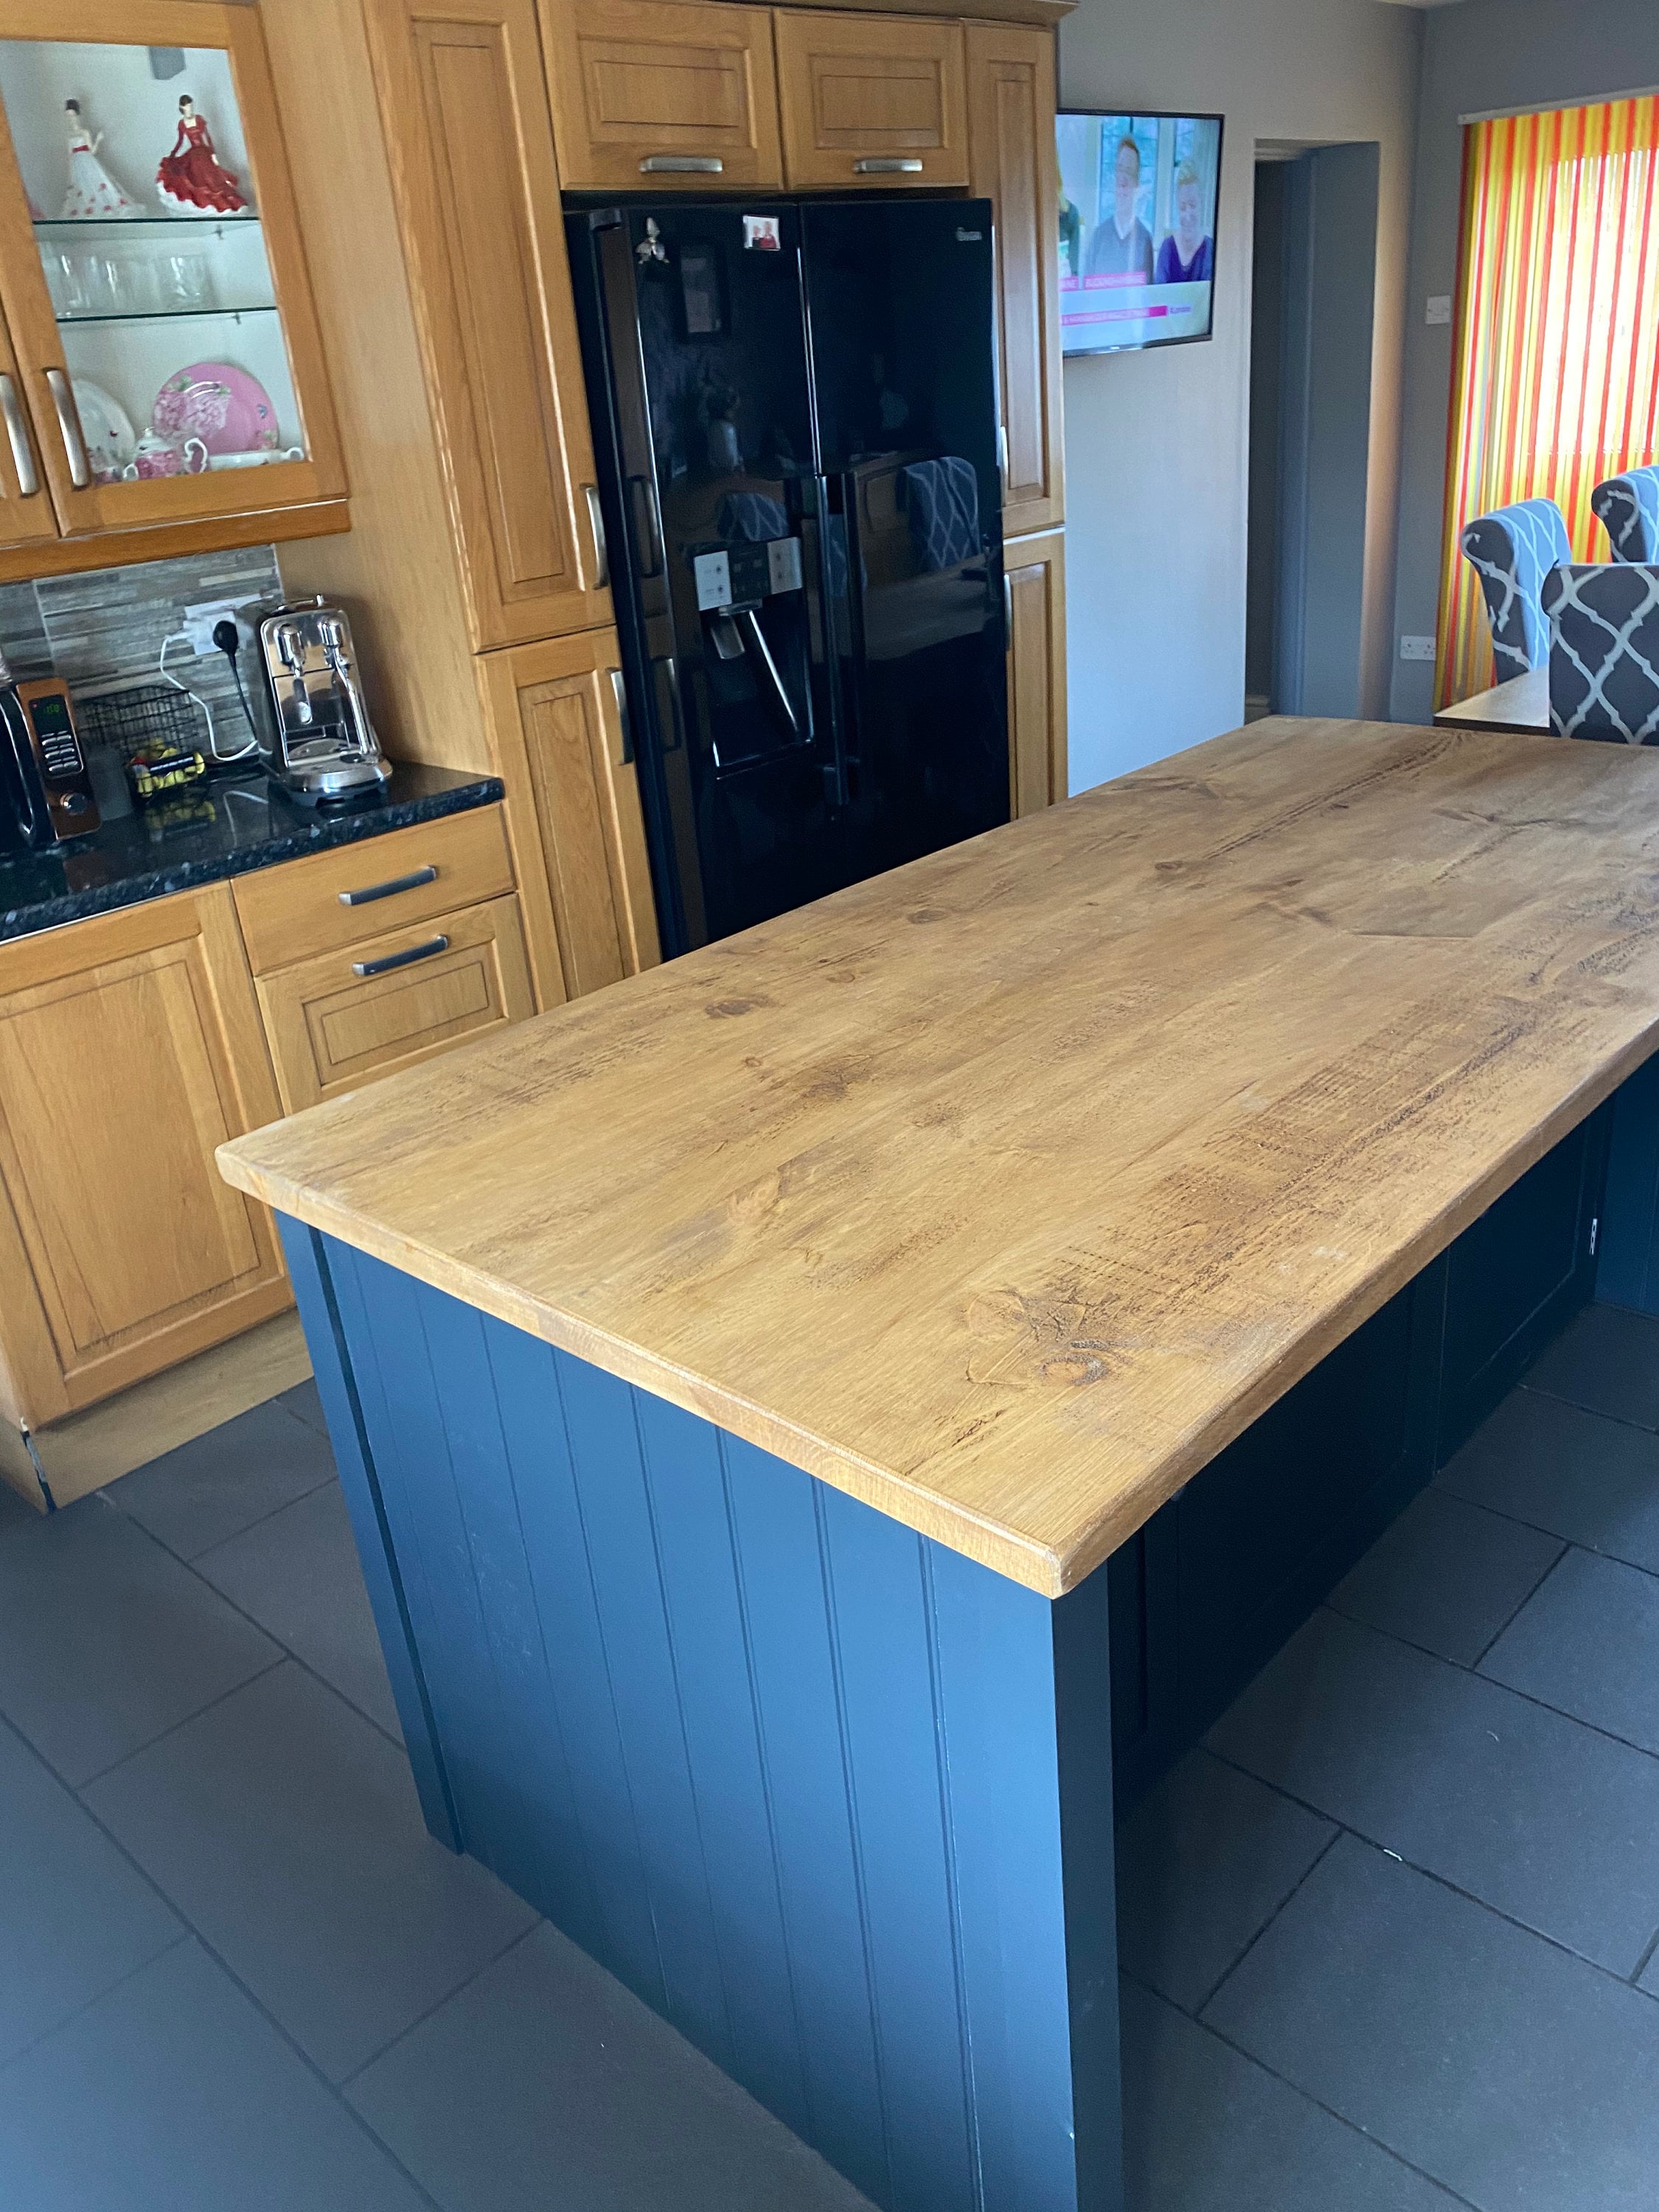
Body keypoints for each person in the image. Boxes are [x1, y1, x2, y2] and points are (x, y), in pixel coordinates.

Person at [156, 97, 247, 216]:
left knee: (213, 179)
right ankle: (205, 204)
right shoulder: (182, 124)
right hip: (194, 155)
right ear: (183, 108)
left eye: (191, 105)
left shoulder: (199, 119)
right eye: (188, 106)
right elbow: (180, 141)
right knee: (197, 180)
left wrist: (213, 155)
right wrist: (173, 155)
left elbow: (208, 139)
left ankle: (225, 204)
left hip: (204, 152)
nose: (190, 108)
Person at [1083, 133, 1154, 283]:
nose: (1123, 180)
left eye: (1129, 172)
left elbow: (1148, 298)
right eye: (1120, 170)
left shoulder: (1145, 239)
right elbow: (1086, 295)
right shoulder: (1098, 236)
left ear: (1137, 184)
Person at [60, 100, 139, 219]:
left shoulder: (84, 132)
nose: (72, 119)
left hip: (87, 160)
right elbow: (70, 154)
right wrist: (70, 174)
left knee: (98, 185)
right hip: (77, 164)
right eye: (69, 117)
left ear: (78, 115)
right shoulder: (69, 134)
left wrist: (98, 140)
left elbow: (92, 151)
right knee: (81, 189)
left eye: (73, 116)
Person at [1155, 159, 1215, 285]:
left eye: (1192, 206)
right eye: (1182, 208)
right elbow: (1158, 300)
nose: (1188, 216)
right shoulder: (1167, 248)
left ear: (1201, 204)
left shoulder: (1211, 249)